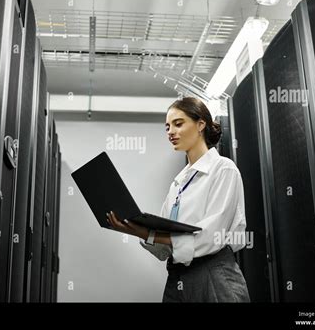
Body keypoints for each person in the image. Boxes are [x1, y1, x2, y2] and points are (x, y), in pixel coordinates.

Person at [106, 96, 250, 302]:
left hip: (213, 275)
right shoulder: (178, 182)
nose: (170, 132)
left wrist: (152, 234)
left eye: (178, 124)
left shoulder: (223, 169)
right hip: (177, 277)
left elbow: (211, 237)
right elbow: (165, 250)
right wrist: (134, 229)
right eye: (167, 127)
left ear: (201, 124)